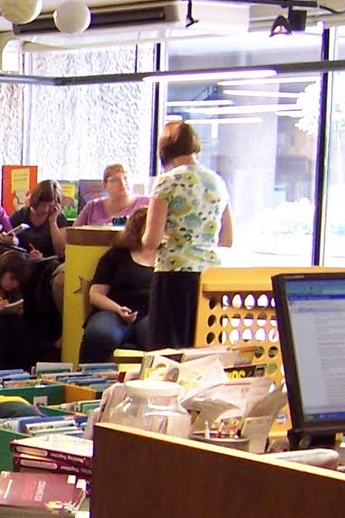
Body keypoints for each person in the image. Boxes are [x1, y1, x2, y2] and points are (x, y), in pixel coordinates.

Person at [142, 119, 232, 350]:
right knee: (202, 348)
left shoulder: (167, 182)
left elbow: (151, 240)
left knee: (168, 352)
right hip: (211, 277)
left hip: (174, 274)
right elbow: (227, 239)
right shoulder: (217, 182)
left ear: (164, 150)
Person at [81, 205, 155, 363]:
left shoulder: (168, 259)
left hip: (150, 315)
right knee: (100, 335)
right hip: (114, 311)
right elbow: (95, 295)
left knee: (158, 337)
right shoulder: (116, 256)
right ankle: (88, 380)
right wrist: (118, 309)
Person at [9, 180, 68, 261]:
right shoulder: (21, 215)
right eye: (43, 205)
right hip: (23, 261)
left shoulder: (59, 218)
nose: (46, 209)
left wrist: (52, 221)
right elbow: (8, 240)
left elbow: (61, 253)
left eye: (50, 205)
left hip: (49, 262)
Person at [76, 163, 148, 226]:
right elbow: (72, 234)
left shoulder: (147, 203)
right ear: (105, 185)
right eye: (115, 180)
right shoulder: (92, 207)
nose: (122, 183)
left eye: (125, 178)